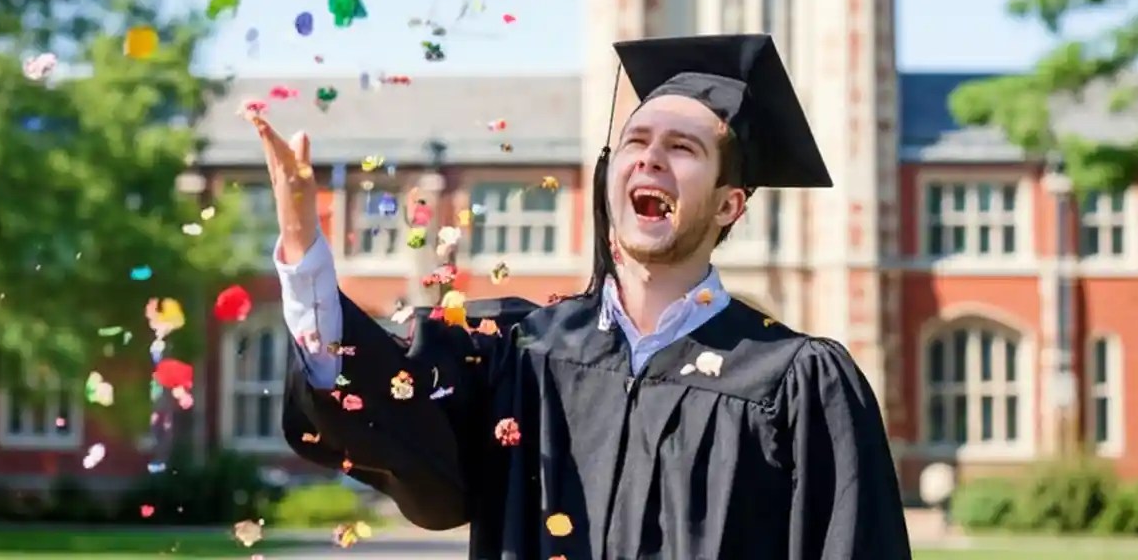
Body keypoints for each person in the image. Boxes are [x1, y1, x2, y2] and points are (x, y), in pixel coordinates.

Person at [248, 34, 912, 559]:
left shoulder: (796, 384)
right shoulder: (521, 355)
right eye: (636, 142)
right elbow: (382, 408)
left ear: (728, 204)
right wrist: (305, 252)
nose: (649, 159)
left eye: (682, 148)